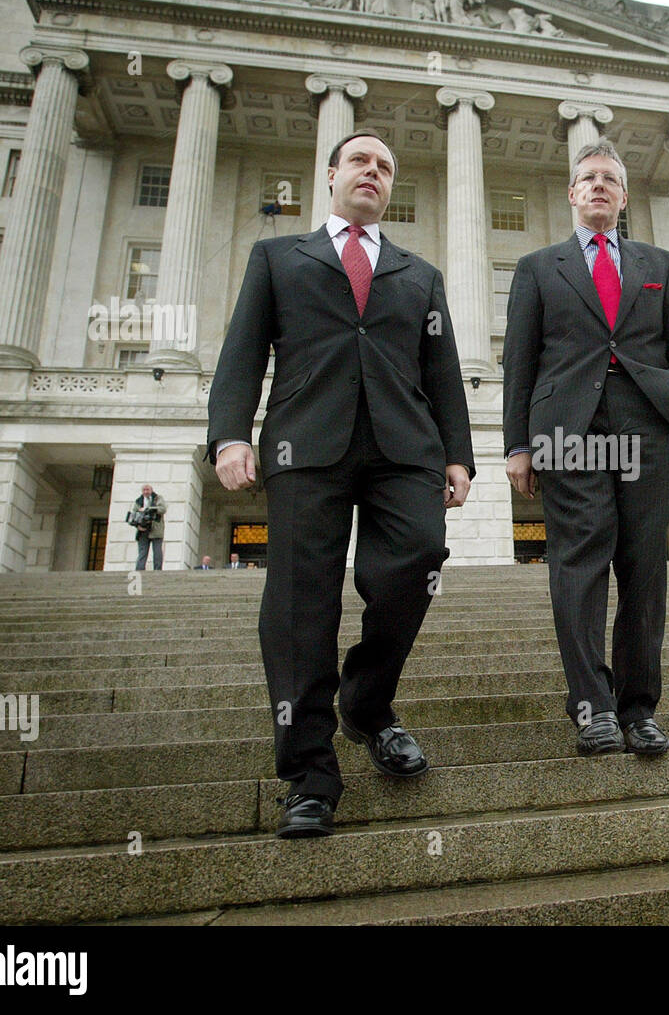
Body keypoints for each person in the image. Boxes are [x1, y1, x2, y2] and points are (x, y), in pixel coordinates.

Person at [207, 129, 475, 839]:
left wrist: (458, 455)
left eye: (386, 167)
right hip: (307, 443)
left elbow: (442, 370)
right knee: (301, 602)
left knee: (416, 561)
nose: (374, 172)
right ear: (331, 175)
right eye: (361, 160)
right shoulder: (277, 257)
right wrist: (231, 432)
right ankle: (309, 773)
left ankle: (365, 703)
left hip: (404, 448)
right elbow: (242, 349)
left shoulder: (421, 275)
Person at [504, 138, 669, 758]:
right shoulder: (539, 267)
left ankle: (639, 708)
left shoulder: (661, 264)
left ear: (623, 196)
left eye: (609, 180)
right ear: (572, 194)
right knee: (581, 558)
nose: (598, 186)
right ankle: (592, 706)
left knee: (645, 565)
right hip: (570, 429)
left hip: (650, 430)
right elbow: (520, 361)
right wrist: (518, 445)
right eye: (587, 178)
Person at [128, 484, 166, 571]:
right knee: (142, 552)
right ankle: (139, 569)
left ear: (151, 490)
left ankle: (157, 569)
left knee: (157, 551)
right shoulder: (138, 501)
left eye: (147, 490)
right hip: (143, 530)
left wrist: (148, 509)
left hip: (156, 529)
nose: (146, 492)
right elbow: (133, 516)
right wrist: (138, 526)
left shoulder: (158, 498)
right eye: (144, 490)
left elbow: (163, 509)